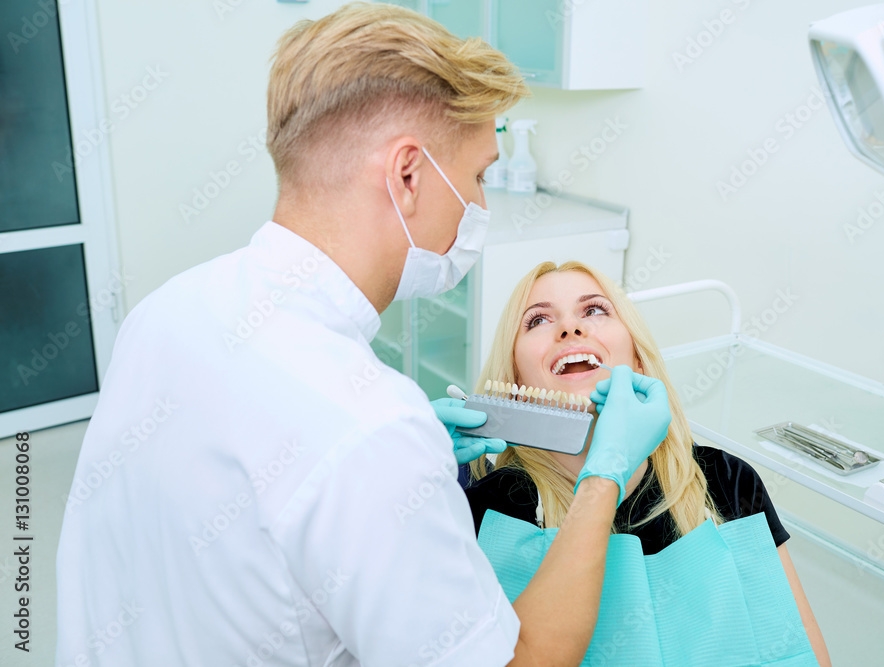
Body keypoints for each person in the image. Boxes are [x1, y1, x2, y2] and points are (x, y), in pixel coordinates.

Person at [54, 4, 672, 666]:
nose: (481, 207)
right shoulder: (373, 427)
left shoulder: (166, 310)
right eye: (478, 176)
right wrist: (604, 475)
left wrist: (404, 452)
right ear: (408, 175)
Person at [463, 261, 834, 666]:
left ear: (637, 358)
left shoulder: (727, 481)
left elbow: (804, 655)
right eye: (537, 320)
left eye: (594, 310)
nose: (570, 329)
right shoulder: (489, 510)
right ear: (515, 382)